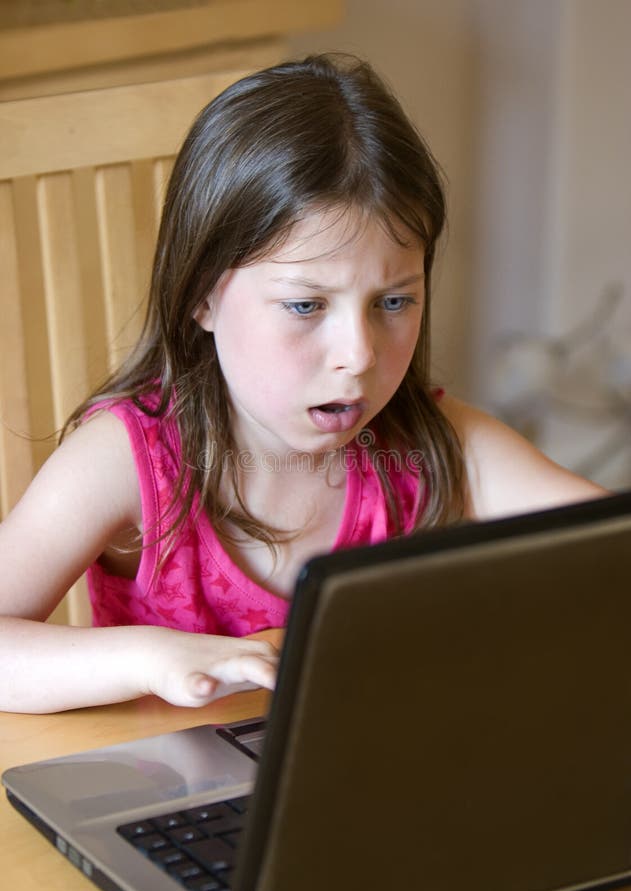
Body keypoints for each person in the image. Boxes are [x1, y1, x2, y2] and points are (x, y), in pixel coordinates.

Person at [0, 54, 604, 714]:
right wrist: (151, 656)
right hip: (175, 799)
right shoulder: (126, 461)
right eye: (305, 305)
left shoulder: (437, 444)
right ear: (201, 295)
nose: (358, 354)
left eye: (393, 302)